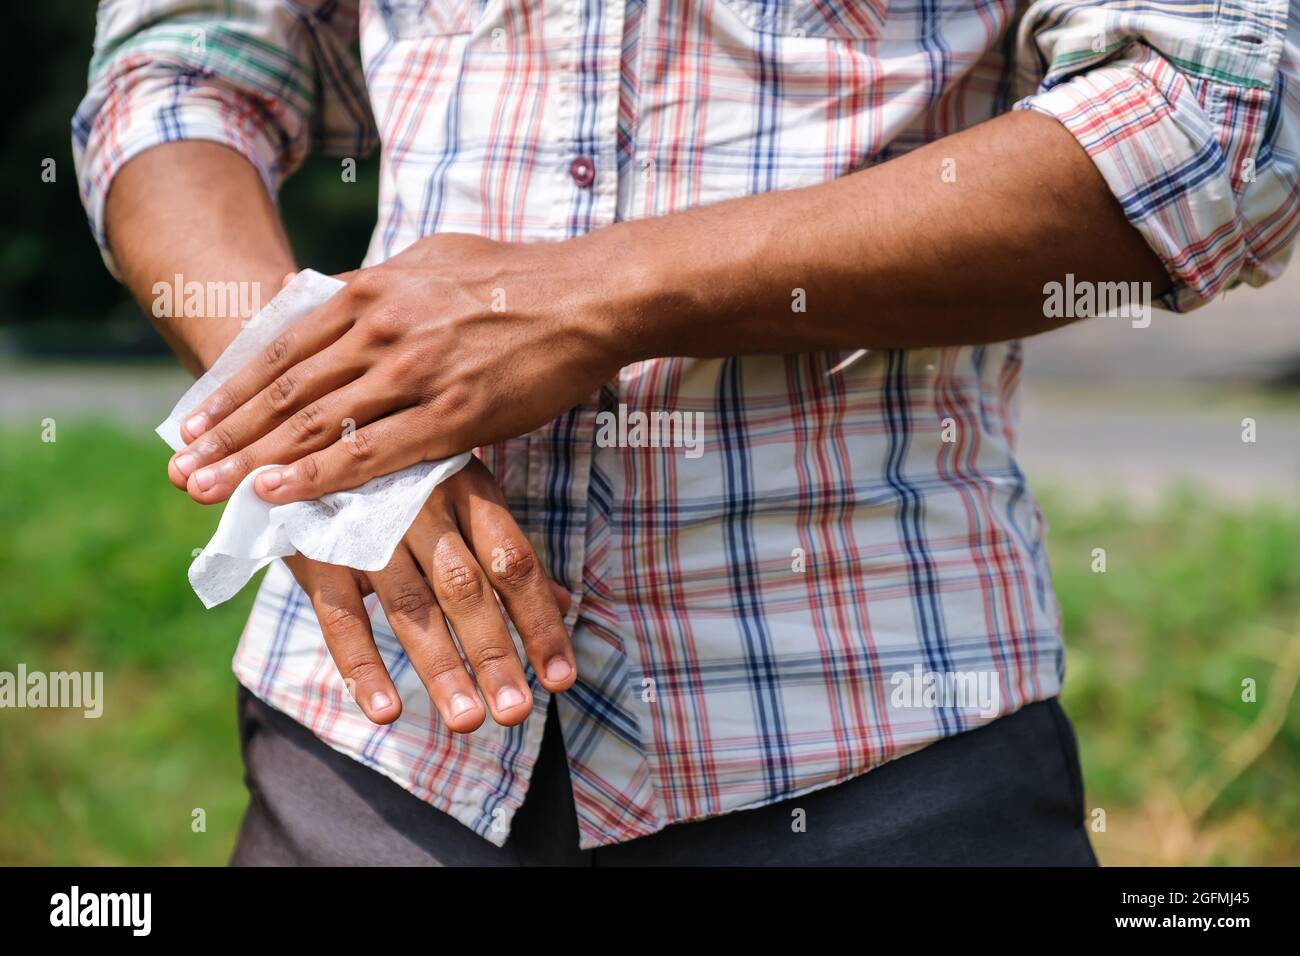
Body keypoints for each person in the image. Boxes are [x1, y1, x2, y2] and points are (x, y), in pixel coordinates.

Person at [74, 0, 1299, 865]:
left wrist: (588, 296)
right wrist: (315, 421)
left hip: (870, 755)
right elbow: (181, 67)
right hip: (362, 759)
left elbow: (1217, 115)